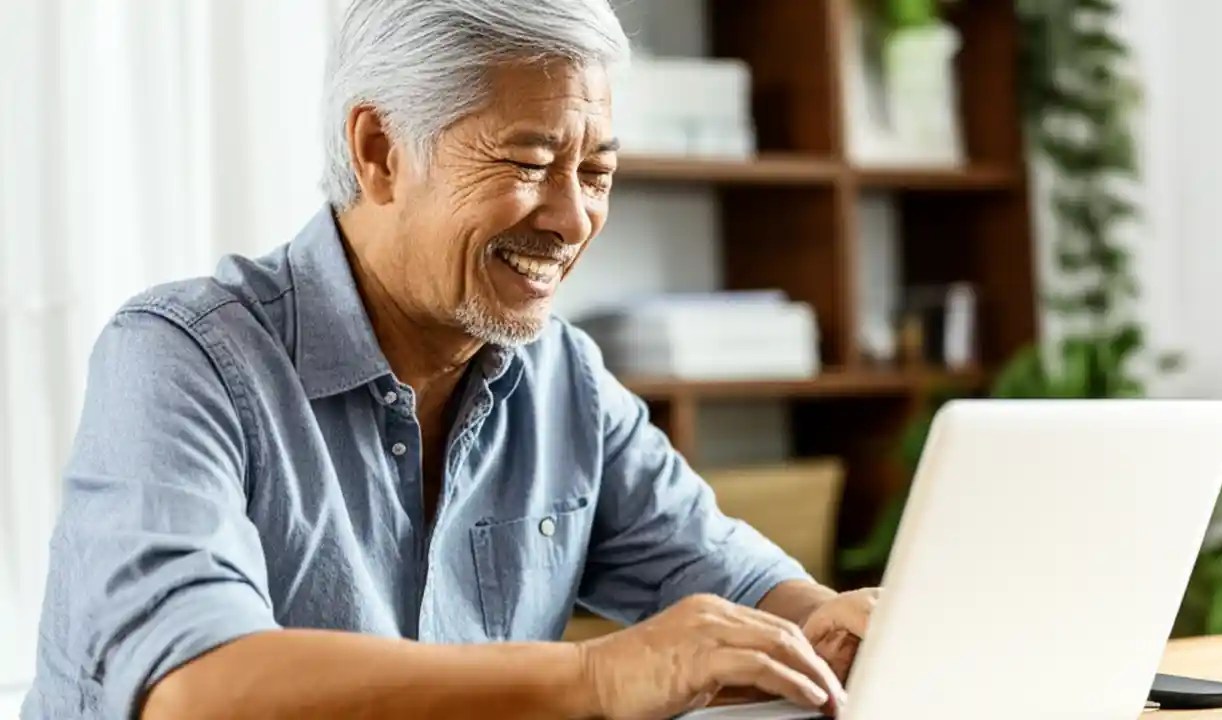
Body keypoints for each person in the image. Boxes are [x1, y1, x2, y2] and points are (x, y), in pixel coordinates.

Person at [23, 2, 880, 718]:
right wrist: (601, 674)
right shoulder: (181, 356)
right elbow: (196, 688)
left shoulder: (563, 378)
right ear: (380, 151)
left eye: (596, 172)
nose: (574, 218)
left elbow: (737, 580)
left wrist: (840, 627)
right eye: (532, 161)